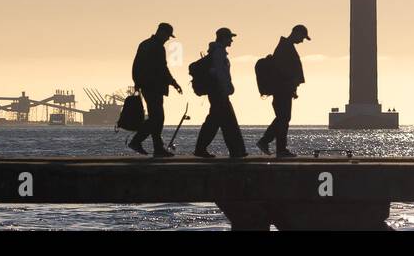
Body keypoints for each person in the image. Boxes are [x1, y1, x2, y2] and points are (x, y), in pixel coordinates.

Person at [193, 27, 247, 159]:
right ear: (224, 38)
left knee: (219, 120)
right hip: (219, 92)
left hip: (218, 91)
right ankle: (235, 150)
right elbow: (220, 73)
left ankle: (236, 150)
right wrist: (227, 88)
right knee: (223, 121)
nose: (231, 41)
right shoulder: (218, 53)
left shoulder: (217, 52)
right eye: (230, 38)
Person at [258, 24, 310, 158]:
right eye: (302, 37)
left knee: (283, 118)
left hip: (284, 89)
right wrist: (290, 85)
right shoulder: (285, 48)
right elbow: (283, 71)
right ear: (296, 33)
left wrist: (292, 88)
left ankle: (274, 145)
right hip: (282, 90)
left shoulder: (285, 47)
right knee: (284, 118)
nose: (302, 41)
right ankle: (275, 146)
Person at [130, 22, 182, 157]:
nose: (168, 39)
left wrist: (137, 83)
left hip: (147, 87)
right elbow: (163, 69)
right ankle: (138, 142)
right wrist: (174, 83)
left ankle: (157, 148)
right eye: (167, 36)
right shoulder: (158, 47)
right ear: (162, 33)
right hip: (155, 87)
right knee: (157, 118)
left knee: (156, 118)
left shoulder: (144, 44)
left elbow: (136, 66)